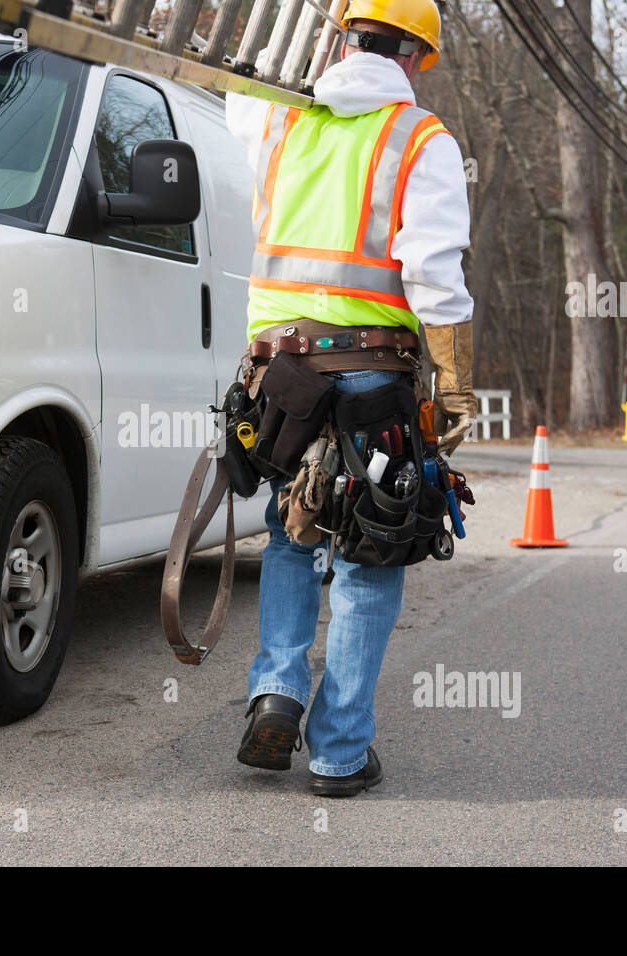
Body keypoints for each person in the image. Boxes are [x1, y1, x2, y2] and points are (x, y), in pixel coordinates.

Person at [225, 0, 477, 796]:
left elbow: (234, 85)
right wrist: (456, 383)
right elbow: (435, 278)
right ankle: (337, 752)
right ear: (415, 57)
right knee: (372, 547)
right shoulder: (420, 140)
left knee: (293, 527)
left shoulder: (277, 120)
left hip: (280, 378)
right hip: (373, 376)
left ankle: (277, 692)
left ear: (337, 36)